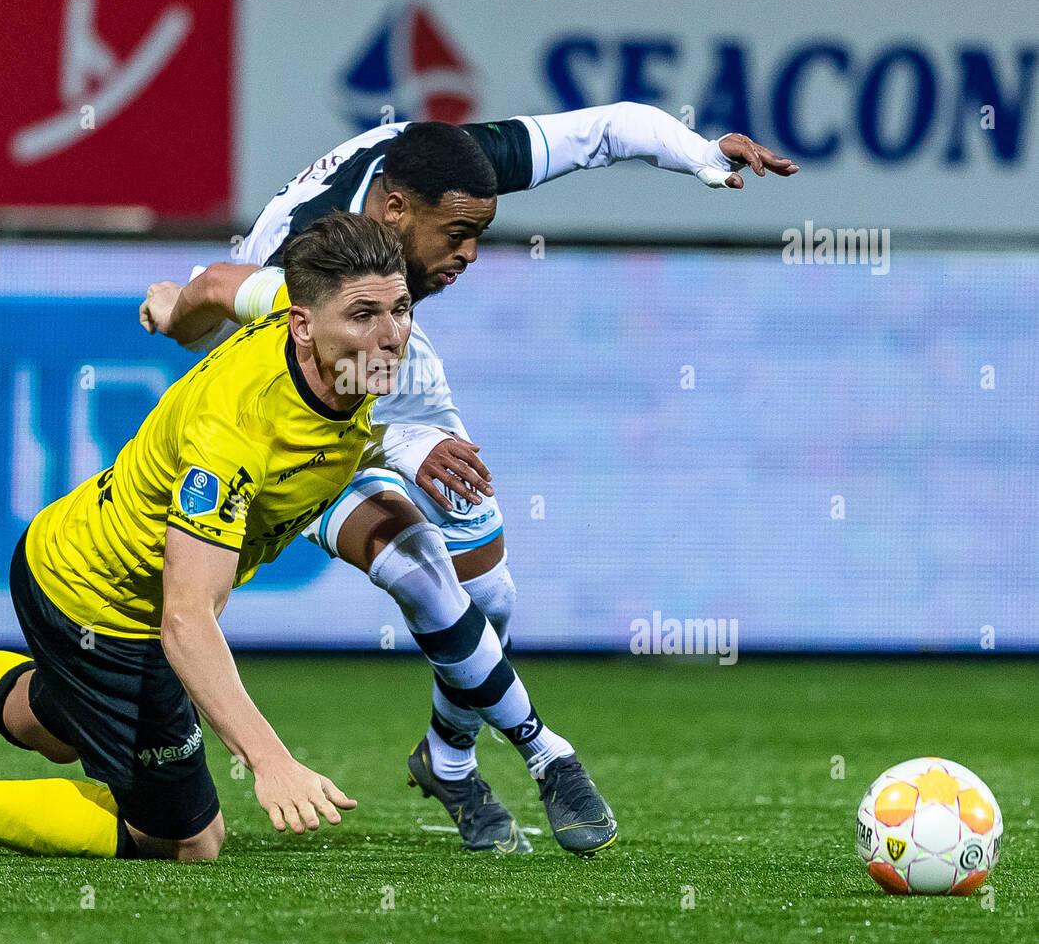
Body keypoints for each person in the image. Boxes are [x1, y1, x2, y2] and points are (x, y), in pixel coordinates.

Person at [141, 108, 798, 856]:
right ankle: (547, 749)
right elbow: (228, 293)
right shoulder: (309, 265)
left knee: (492, 594)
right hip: (292, 418)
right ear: (394, 211)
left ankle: (448, 761)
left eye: (480, 231)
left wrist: (699, 153)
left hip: (390, 365)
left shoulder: (451, 167)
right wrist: (177, 311)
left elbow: (609, 129)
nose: (472, 252)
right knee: (421, 573)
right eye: (455, 236)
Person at [0, 214, 412, 861]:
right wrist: (269, 761)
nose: (391, 337)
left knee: (50, 722)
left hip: (66, 548)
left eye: (401, 309)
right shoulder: (234, 440)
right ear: (302, 324)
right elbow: (186, 622)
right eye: (364, 317)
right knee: (184, 839)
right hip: (104, 603)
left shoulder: (306, 318)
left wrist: (173, 314)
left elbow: (216, 284)